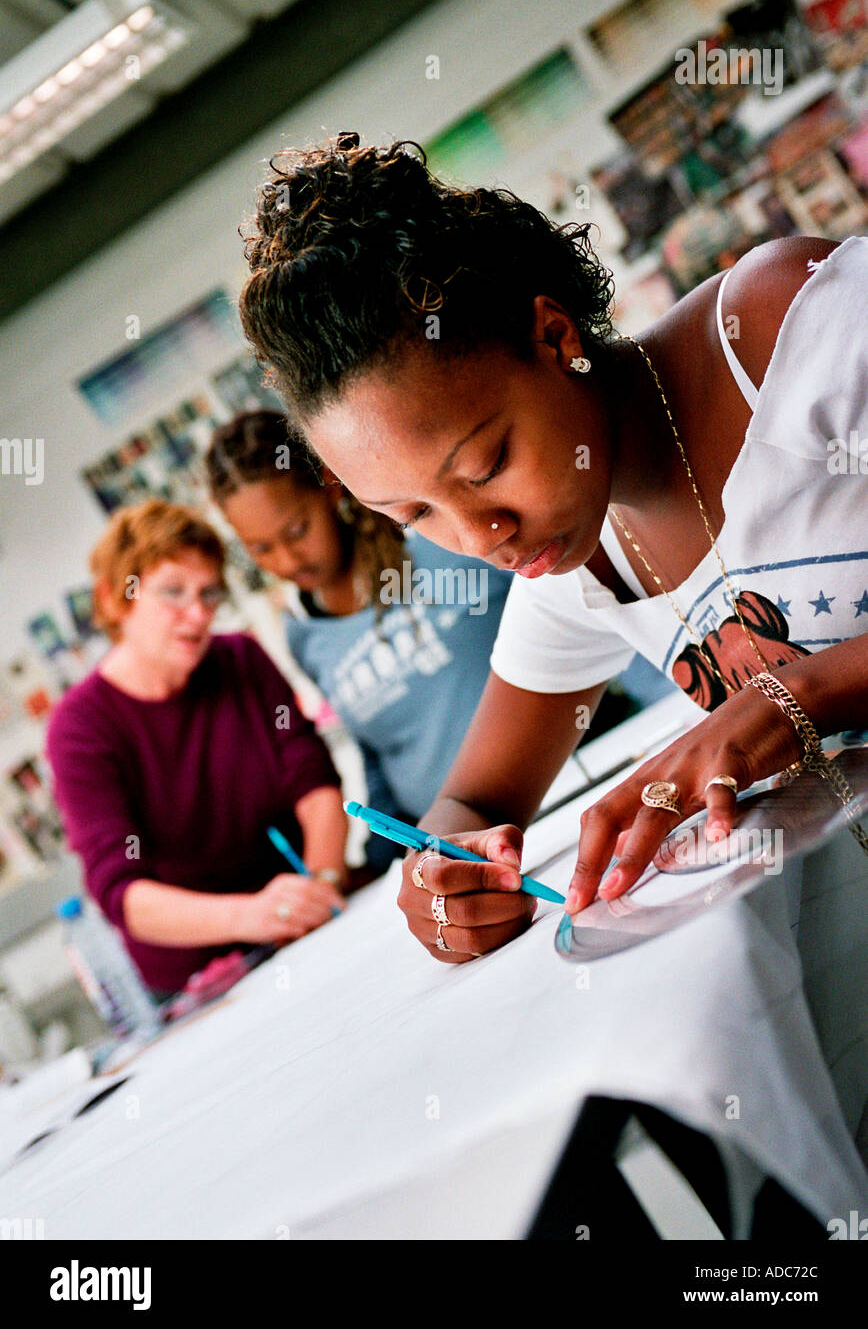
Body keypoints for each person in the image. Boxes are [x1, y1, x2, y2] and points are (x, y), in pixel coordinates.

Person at [235, 132, 868, 965]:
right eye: (416, 513)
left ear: (554, 334)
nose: (480, 537)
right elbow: (471, 797)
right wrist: (443, 878)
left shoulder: (782, 329)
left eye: (488, 464)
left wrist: (794, 697)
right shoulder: (580, 556)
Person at [46, 499, 348, 998]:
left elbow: (313, 782)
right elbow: (122, 892)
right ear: (116, 600)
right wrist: (251, 915)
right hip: (197, 983)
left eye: (209, 594)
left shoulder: (242, 661)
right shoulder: (80, 727)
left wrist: (323, 883)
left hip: (299, 932)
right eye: (173, 593)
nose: (198, 614)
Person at [203, 409, 512, 873]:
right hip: (454, 847)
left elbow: (566, 615)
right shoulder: (303, 632)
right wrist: (372, 862)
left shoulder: (438, 537)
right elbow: (380, 755)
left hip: (557, 785)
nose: (287, 561)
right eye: (261, 548)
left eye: (296, 531)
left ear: (328, 485)